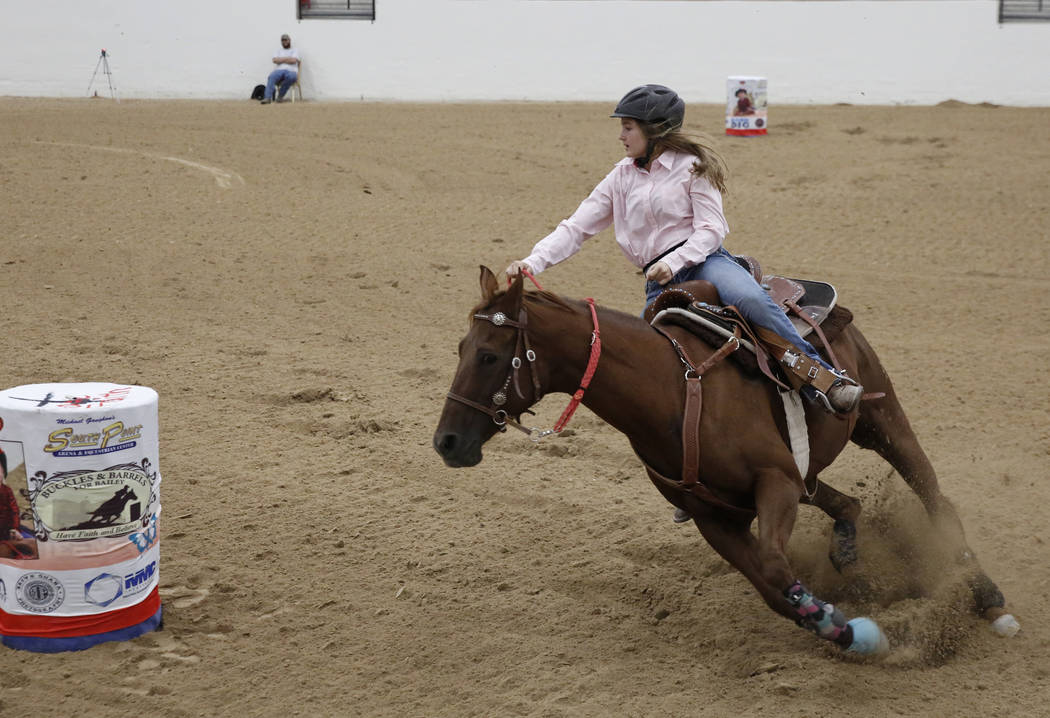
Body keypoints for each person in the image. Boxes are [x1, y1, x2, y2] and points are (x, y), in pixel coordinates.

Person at [505, 84, 862, 417]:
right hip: (658, 282)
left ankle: (824, 380)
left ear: (654, 130)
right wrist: (531, 262)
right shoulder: (619, 177)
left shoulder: (693, 168)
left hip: (706, 264)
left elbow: (711, 229)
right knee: (652, 358)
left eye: (628, 127)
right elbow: (576, 227)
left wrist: (673, 261)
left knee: (750, 299)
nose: (621, 136)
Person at [261, 33, 300, 104]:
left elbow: (293, 61)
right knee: (271, 76)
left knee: (292, 77)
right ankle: (267, 98)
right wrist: (288, 58)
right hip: (279, 70)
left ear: (289, 40)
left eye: (286, 40)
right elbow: (275, 60)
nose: (284, 42)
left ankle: (280, 96)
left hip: (291, 71)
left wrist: (281, 59)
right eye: (283, 40)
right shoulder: (278, 50)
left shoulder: (295, 50)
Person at [0, 449, 21, 541]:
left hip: (6, 531)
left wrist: (14, 528)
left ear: (4, 473)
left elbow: (14, 510)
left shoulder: (7, 490)